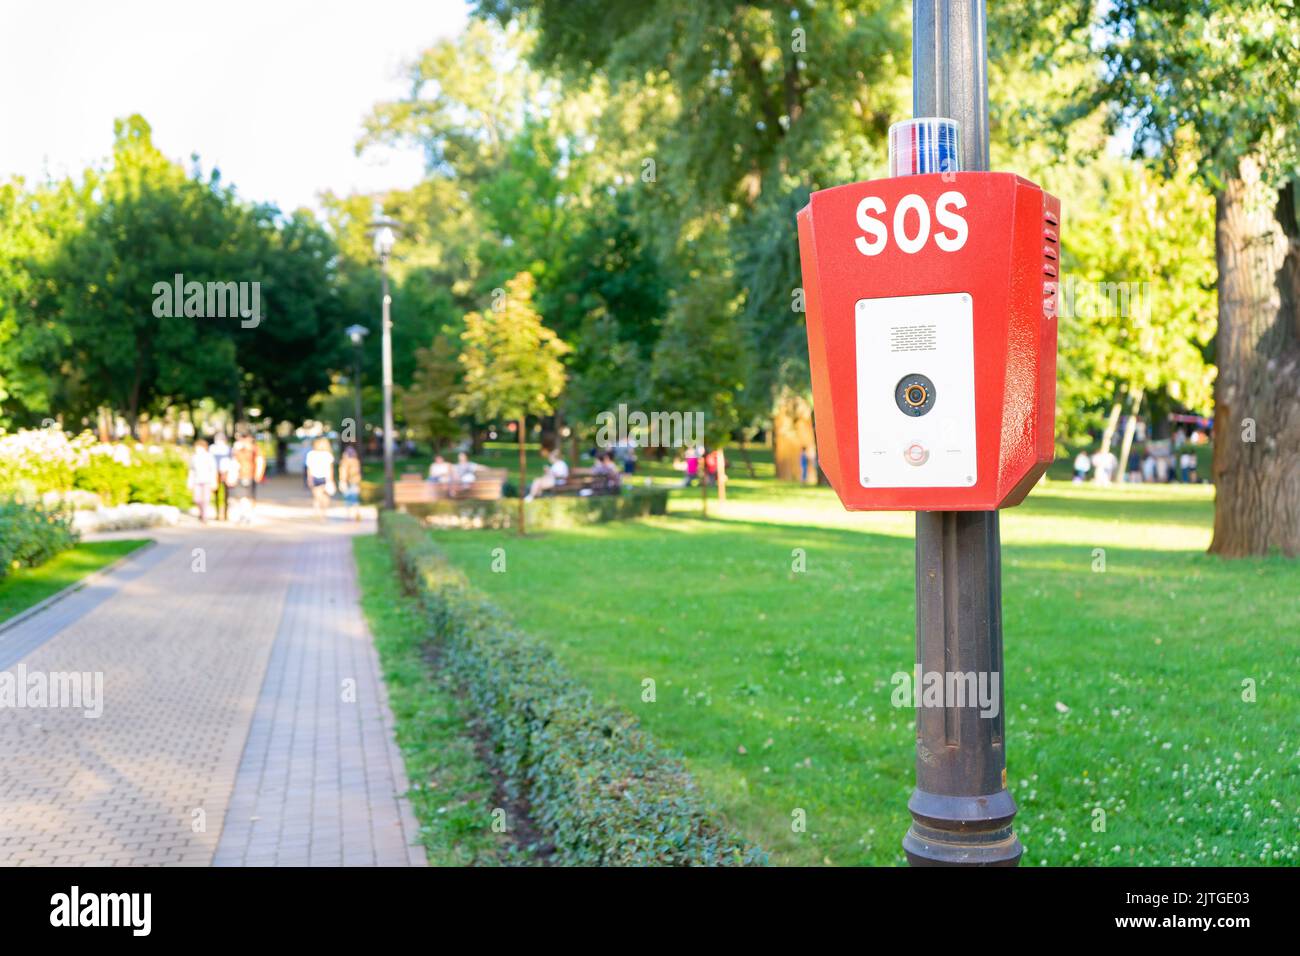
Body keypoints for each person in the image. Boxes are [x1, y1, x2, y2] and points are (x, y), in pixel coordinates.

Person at [231, 433, 261, 525]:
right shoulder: (238, 450)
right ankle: (243, 515)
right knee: (240, 497)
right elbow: (234, 461)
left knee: (250, 497)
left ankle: (249, 515)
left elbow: (259, 460)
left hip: (250, 475)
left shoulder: (254, 449)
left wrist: (258, 474)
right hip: (240, 475)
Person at [304, 437, 336, 519]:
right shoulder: (327, 455)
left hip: (318, 477)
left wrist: (309, 478)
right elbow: (330, 469)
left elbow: (309, 468)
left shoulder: (311, 454)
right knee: (323, 496)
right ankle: (322, 512)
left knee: (317, 496)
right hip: (324, 478)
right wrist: (330, 480)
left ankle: (318, 512)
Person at [188, 439, 218, 524]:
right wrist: (190, 481)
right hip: (197, 480)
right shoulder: (194, 457)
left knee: (205, 499)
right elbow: (191, 470)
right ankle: (201, 512)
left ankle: (204, 516)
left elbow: (213, 470)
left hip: (207, 480)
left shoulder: (209, 457)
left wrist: (214, 482)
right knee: (197, 499)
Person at [339, 444, 362, 521]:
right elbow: (358, 473)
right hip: (354, 481)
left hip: (347, 482)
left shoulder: (344, 462)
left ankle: (348, 515)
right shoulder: (356, 461)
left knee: (347, 499)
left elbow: (342, 473)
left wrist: (342, 481)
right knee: (354, 499)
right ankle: (356, 512)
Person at [211, 432, 231, 521]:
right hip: (215, 472)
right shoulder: (212, 448)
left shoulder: (228, 449)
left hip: (225, 472)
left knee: (226, 494)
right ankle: (217, 513)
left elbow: (231, 461)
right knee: (216, 493)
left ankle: (226, 514)